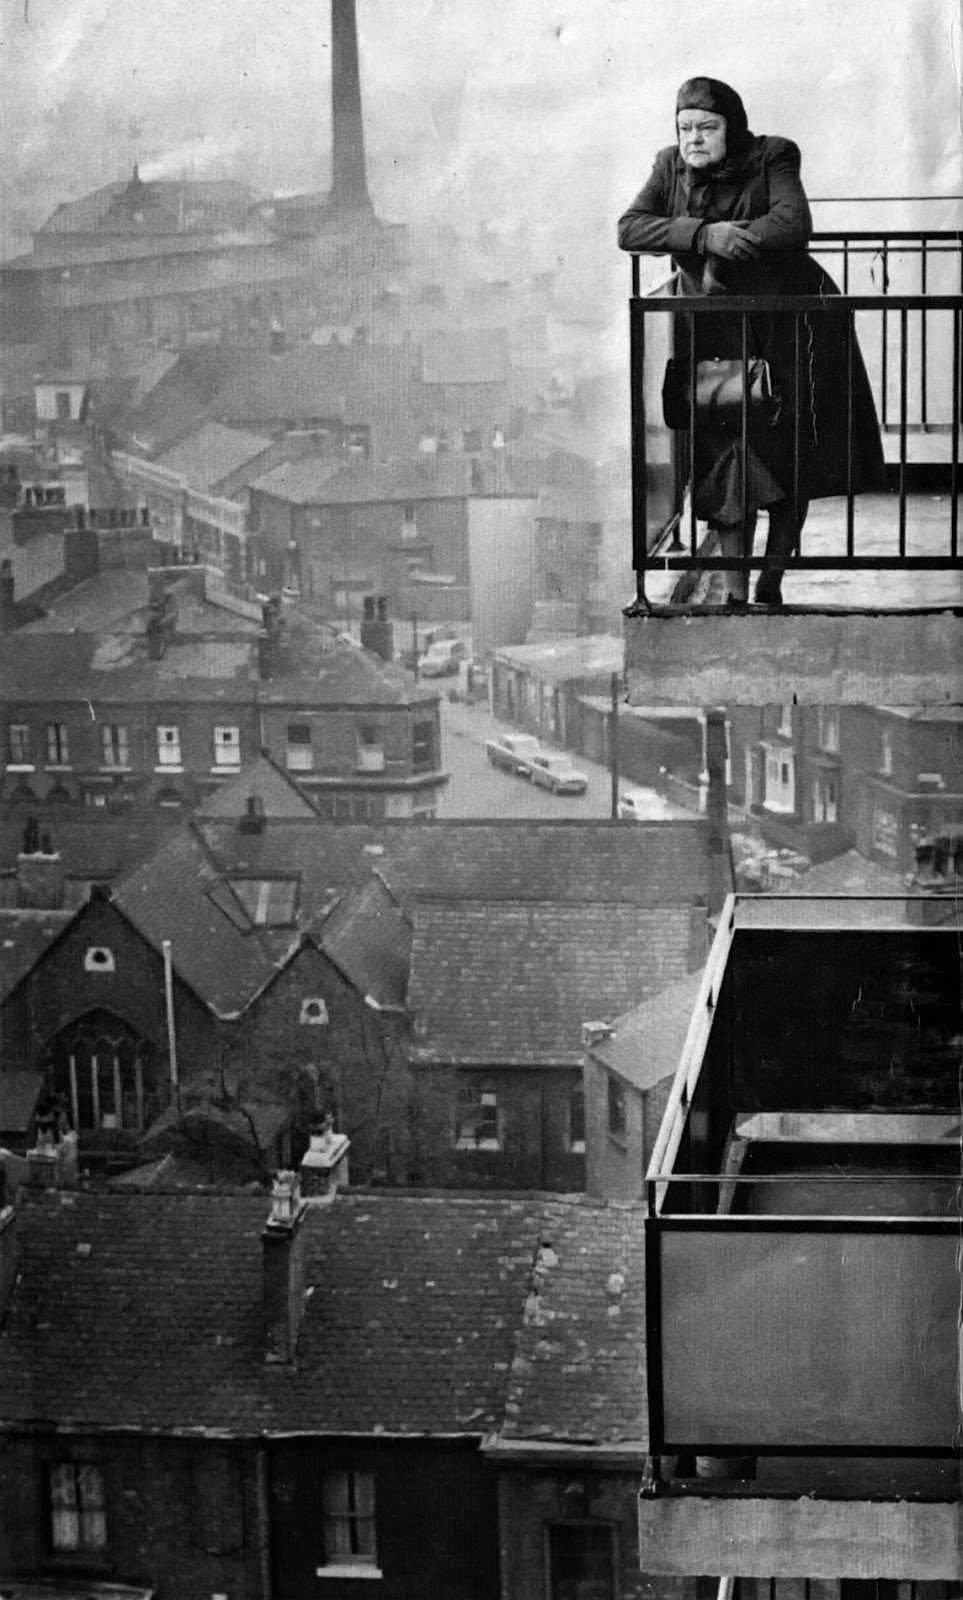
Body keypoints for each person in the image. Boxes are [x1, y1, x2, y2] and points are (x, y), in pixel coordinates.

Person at [618, 76, 886, 606]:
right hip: (717, 332)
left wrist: (722, 248)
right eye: (685, 127)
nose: (694, 138)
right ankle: (736, 592)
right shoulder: (668, 165)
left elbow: (792, 224)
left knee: (791, 455)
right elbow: (630, 228)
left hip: (791, 325)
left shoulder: (773, 156)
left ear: (732, 127)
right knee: (727, 457)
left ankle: (771, 581)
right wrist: (700, 235)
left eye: (707, 127)